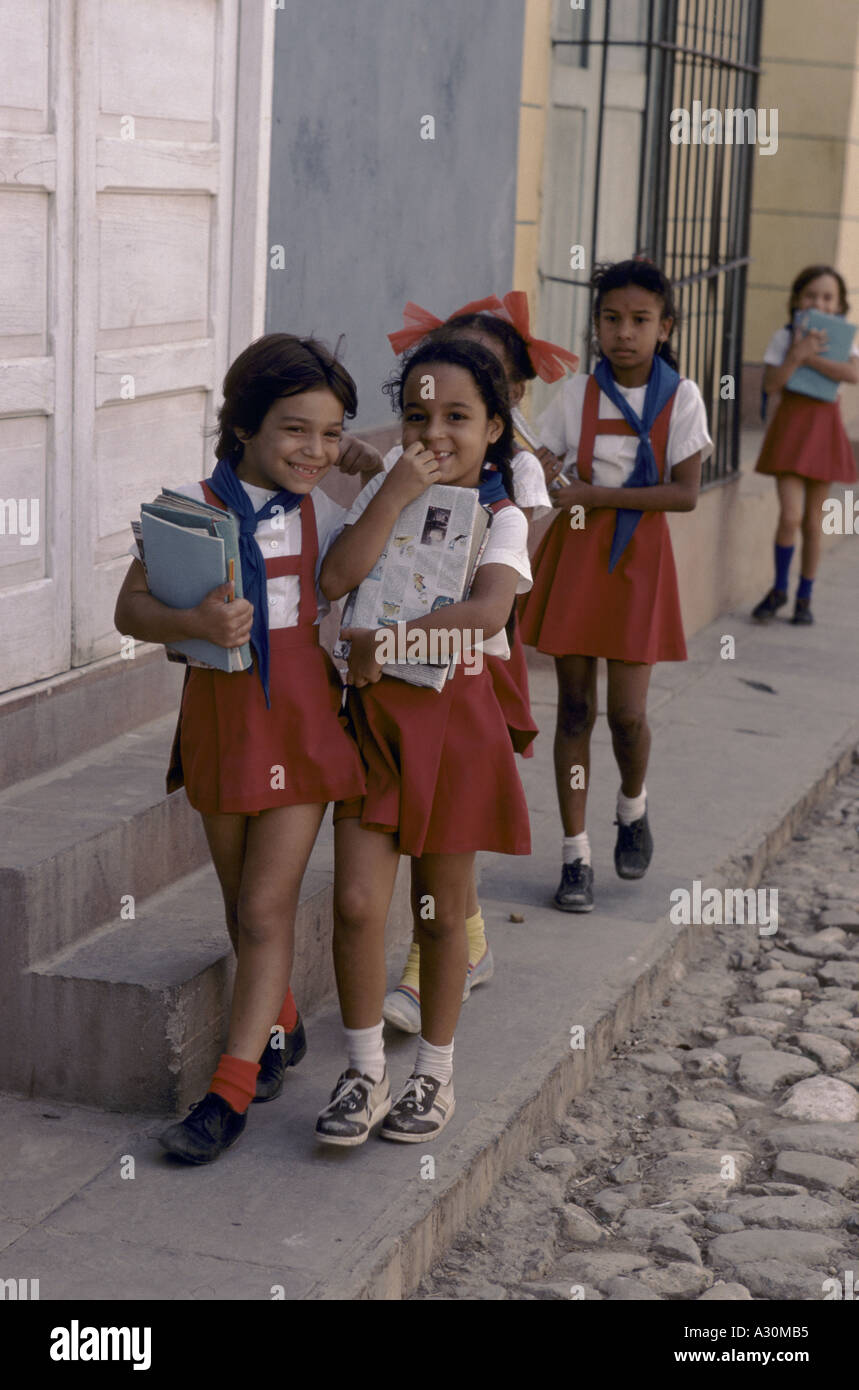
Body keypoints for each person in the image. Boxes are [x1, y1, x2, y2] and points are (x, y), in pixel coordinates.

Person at [114, 334, 366, 1163]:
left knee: (263, 909)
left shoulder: (323, 514)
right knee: (237, 898)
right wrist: (193, 623)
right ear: (245, 424)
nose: (315, 451)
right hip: (221, 720)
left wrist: (375, 471)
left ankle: (226, 1096)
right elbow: (131, 610)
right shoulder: (187, 508)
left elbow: (371, 556)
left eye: (330, 434)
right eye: (296, 430)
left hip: (301, 721)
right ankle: (281, 1020)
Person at [314, 337, 532, 1145]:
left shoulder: (501, 517)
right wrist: (390, 489)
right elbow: (335, 579)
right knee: (357, 901)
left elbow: (486, 615)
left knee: (439, 915)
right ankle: (363, 1070)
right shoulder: (383, 489)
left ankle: (433, 1075)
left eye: (456, 417)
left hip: (454, 728)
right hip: (372, 723)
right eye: (415, 415)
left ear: (494, 430)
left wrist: (388, 644)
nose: (434, 433)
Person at [379, 294, 576, 1033]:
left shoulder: (518, 477)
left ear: (507, 399)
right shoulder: (418, 464)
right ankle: (470, 944)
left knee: (449, 813)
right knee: (428, 810)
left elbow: (517, 563)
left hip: (477, 656)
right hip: (414, 655)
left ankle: (431, 964)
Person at [519, 259, 711, 913]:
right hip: (577, 555)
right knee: (574, 711)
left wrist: (594, 492)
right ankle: (575, 857)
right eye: (610, 319)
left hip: (638, 565)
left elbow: (684, 494)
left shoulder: (681, 397)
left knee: (627, 716)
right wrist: (546, 473)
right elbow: (544, 475)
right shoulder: (574, 396)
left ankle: (632, 807)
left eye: (638, 320)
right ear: (595, 323)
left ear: (664, 326)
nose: (623, 333)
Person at [751, 265, 858, 626]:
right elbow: (771, 385)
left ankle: (804, 596)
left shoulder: (845, 339)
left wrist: (812, 357)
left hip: (825, 429)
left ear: (839, 304)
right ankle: (780, 587)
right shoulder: (784, 338)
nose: (819, 303)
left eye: (828, 297)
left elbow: (853, 374)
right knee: (791, 516)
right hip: (792, 430)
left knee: (813, 522)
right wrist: (797, 353)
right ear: (797, 300)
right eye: (811, 295)